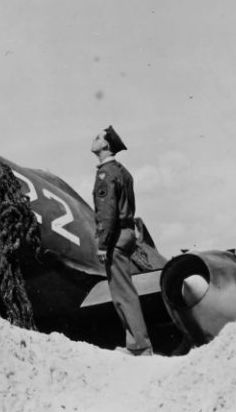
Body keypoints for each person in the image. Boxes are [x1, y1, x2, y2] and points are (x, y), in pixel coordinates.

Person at [91, 125, 153, 356]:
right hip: (126, 233)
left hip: (115, 237)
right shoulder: (123, 172)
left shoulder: (105, 174)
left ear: (105, 145)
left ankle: (140, 346)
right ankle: (136, 344)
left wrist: (102, 244)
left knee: (122, 293)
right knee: (124, 290)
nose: (94, 140)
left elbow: (107, 212)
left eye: (98, 138)